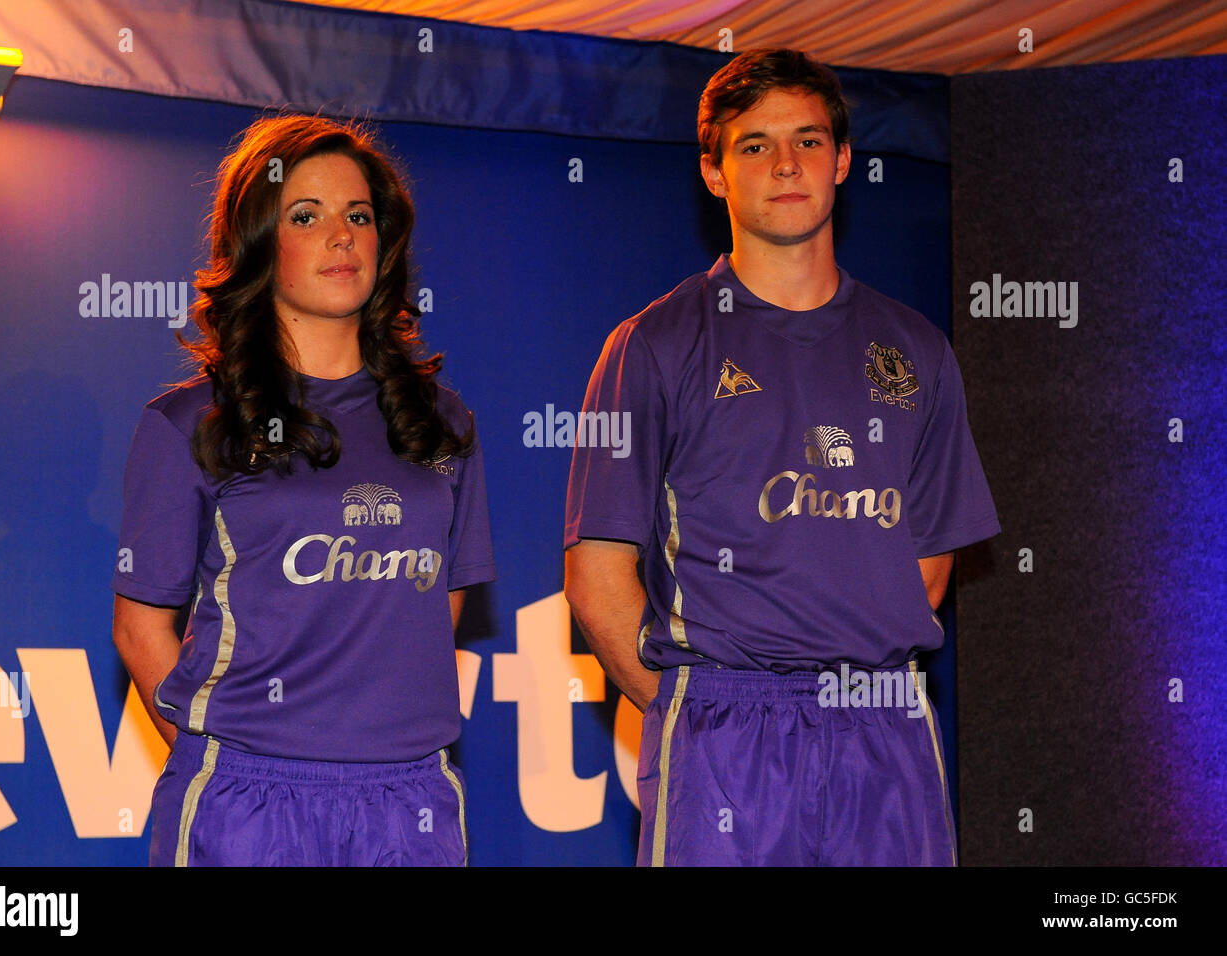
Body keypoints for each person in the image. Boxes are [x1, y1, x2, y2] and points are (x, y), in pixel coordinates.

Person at [564, 49, 999, 866]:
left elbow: (930, 565)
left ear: (841, 160)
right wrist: (694, 711)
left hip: (884, 723)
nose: (786, 163)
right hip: (724, 725)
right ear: (715, 173)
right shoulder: (650, 345)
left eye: (806, 139)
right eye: (755, 145)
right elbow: (596, 577)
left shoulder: (918, 351)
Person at [111, 114, 494, 867]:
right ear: (260, 241)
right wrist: (232, 759)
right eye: (306, 216)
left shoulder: (443, 422)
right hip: (248, 801)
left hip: (409, 802)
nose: (342, 236)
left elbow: (436, 602)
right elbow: (139, 627)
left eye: (358, 216)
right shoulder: (189, 423)